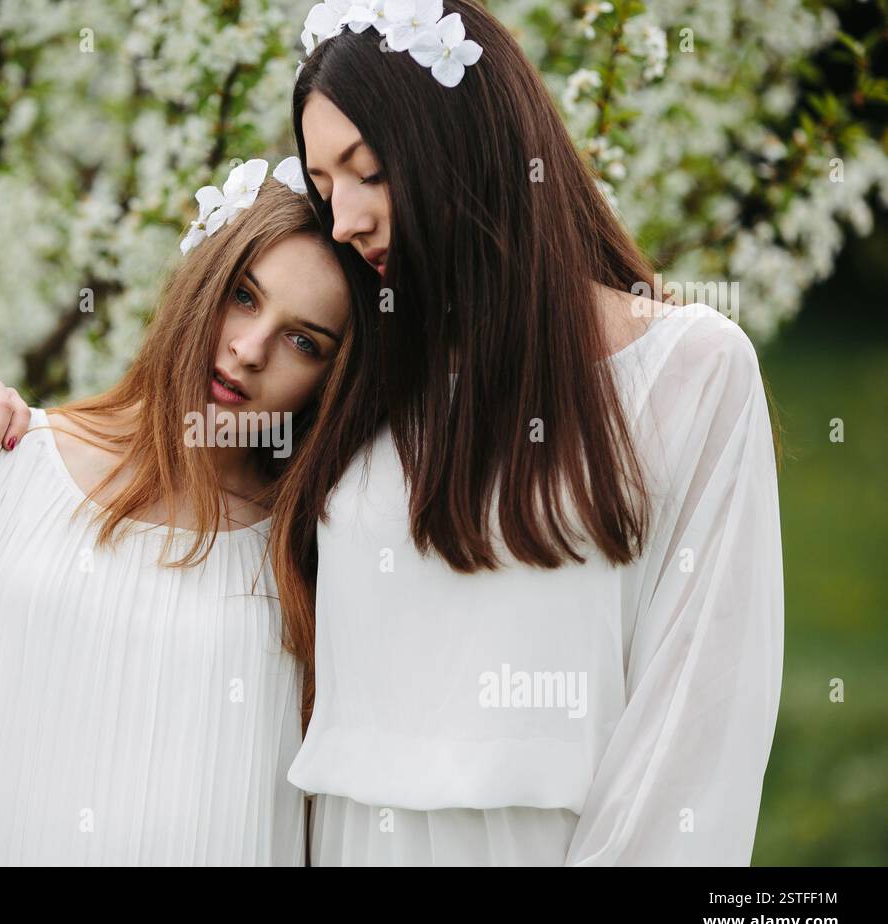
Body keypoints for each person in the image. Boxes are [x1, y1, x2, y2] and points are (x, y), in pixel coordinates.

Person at [277, 0, 784, 865]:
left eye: (369, 172)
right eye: (324, 190)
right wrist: (8, 423)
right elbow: (186, 478)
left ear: (462, 146)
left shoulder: (688, 371)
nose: (344, 222)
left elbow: (699, 715)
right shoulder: (359, 369)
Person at [0, 158, 378, 864]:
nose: (248, 350)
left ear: (329, 382)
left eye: (303, 341)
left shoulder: (318, 553)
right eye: (243, 297)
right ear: (200, 282)